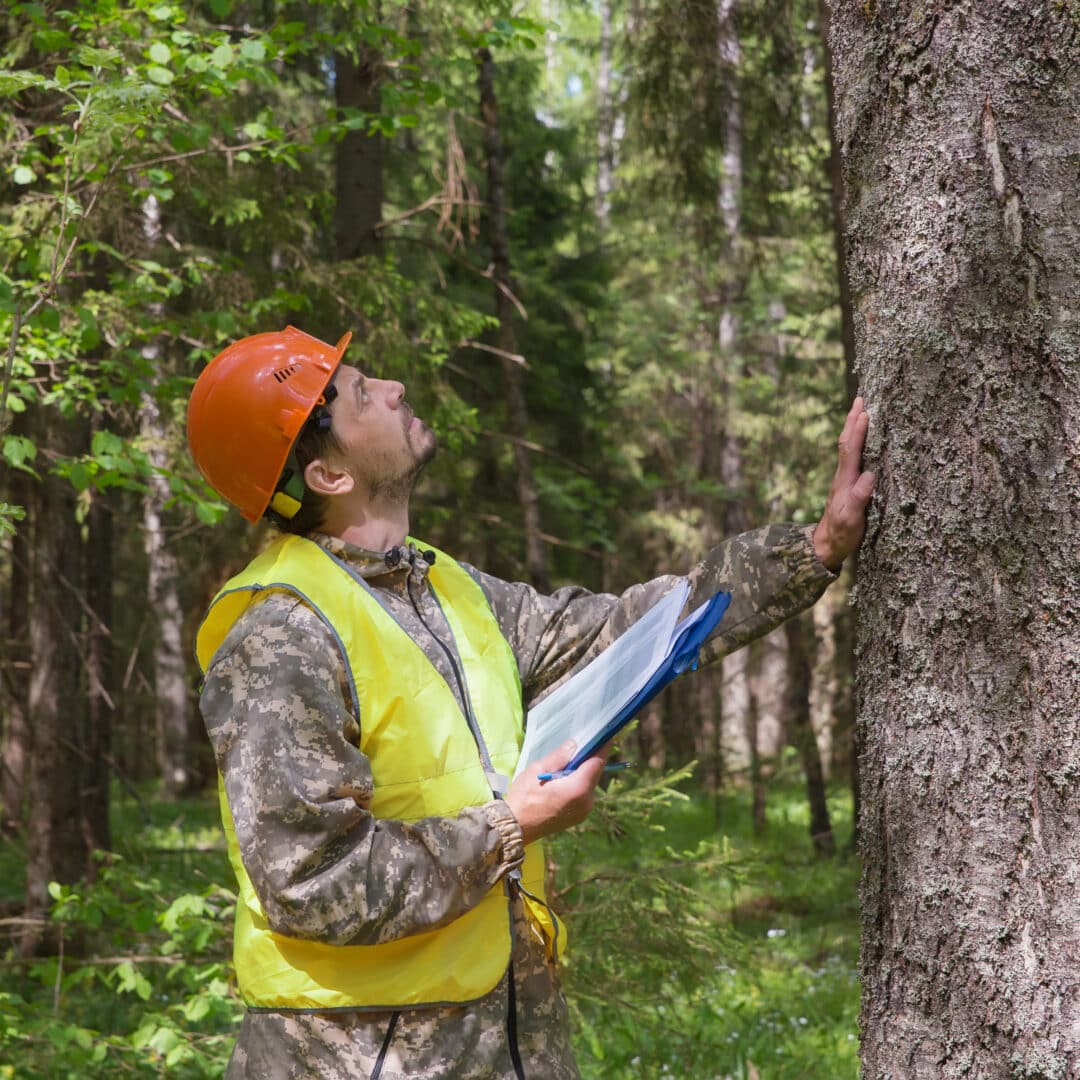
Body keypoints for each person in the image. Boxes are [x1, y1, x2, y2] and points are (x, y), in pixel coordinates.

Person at [187, 325, 874, 1080]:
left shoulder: (449, 587)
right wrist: (511, 827)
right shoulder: (280, 635)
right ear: (327, 476)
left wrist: (814, 549)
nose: (394, 388)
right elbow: (310, 882)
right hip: (355, 1058)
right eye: (361, 394)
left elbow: (624, 634)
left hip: (509, 1038)